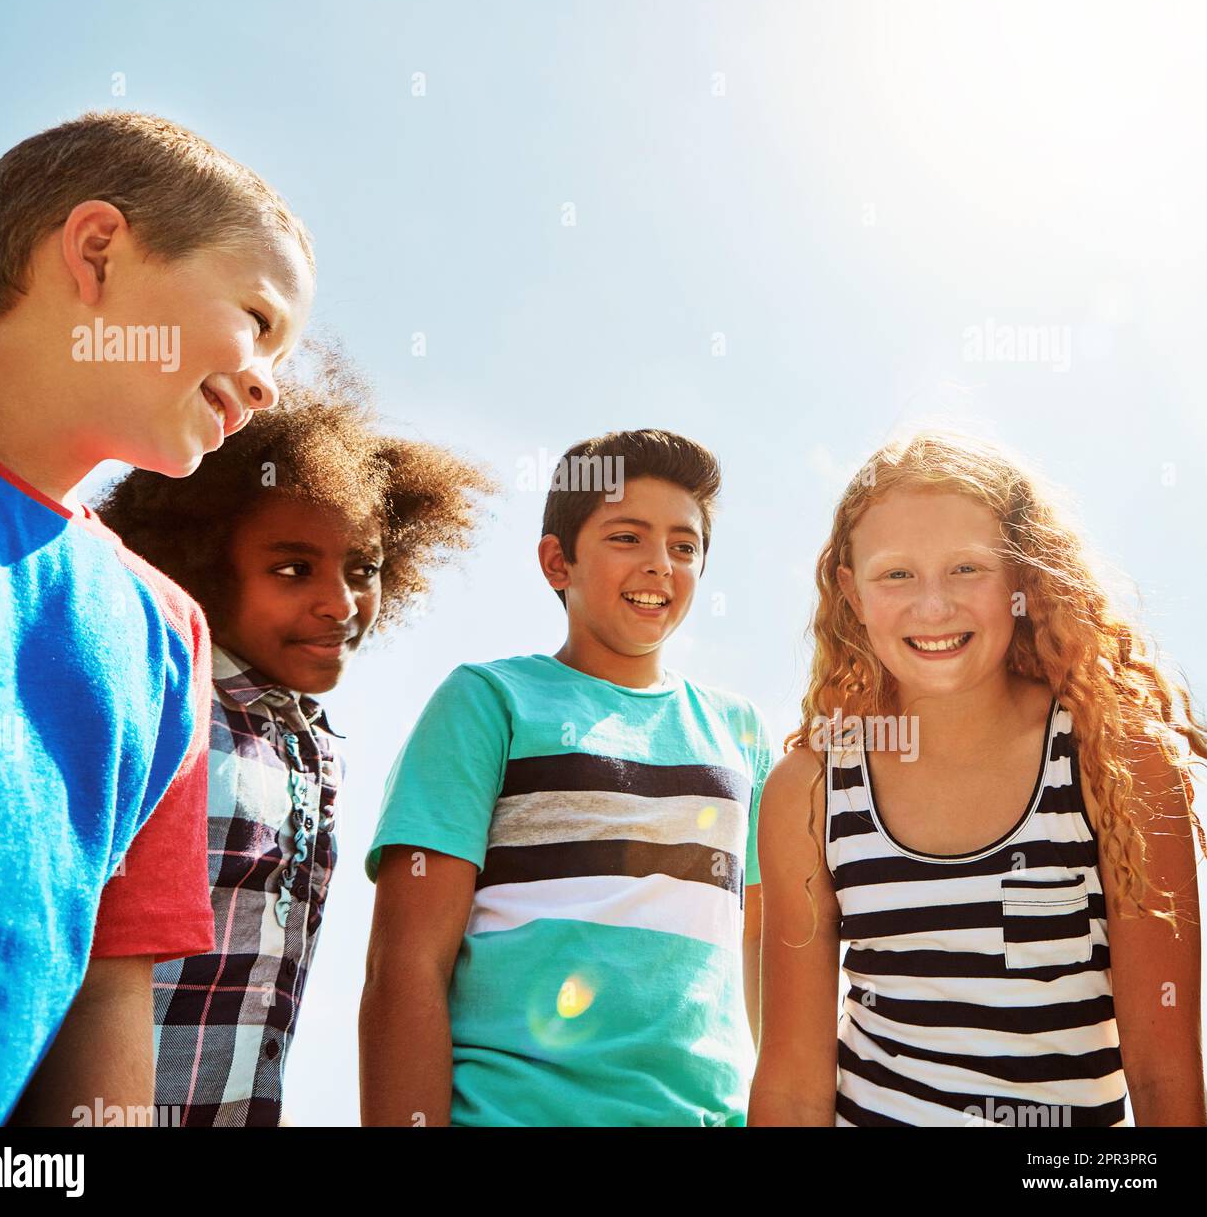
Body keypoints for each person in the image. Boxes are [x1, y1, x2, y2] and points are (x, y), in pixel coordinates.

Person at [0, 110, 314, 1125]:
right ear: (97, 251)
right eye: (260, 318)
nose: (270, 379)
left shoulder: (166, 635)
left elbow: (109, 981)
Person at [750, 429, 1206, 1127]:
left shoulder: (1117, 763)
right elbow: (791, 1088)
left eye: (967, 568)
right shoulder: (810, 790)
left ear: (1023, 578)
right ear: (850, 590)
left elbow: (1163, 1071)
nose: (933, 607)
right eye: (896, 574)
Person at [95, 345, 496, 1124]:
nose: (340, 603)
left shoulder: (311, 747)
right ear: (203, 560)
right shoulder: (159, 700)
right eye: (292, 569)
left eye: (364, 568)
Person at [361, 428, 773, 1126]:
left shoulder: (741, 734)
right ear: (558, 561)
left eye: (684, 546)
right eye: (626, 538)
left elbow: (767, 959)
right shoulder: (487, 701)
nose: (660, 566)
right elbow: (405, 965)